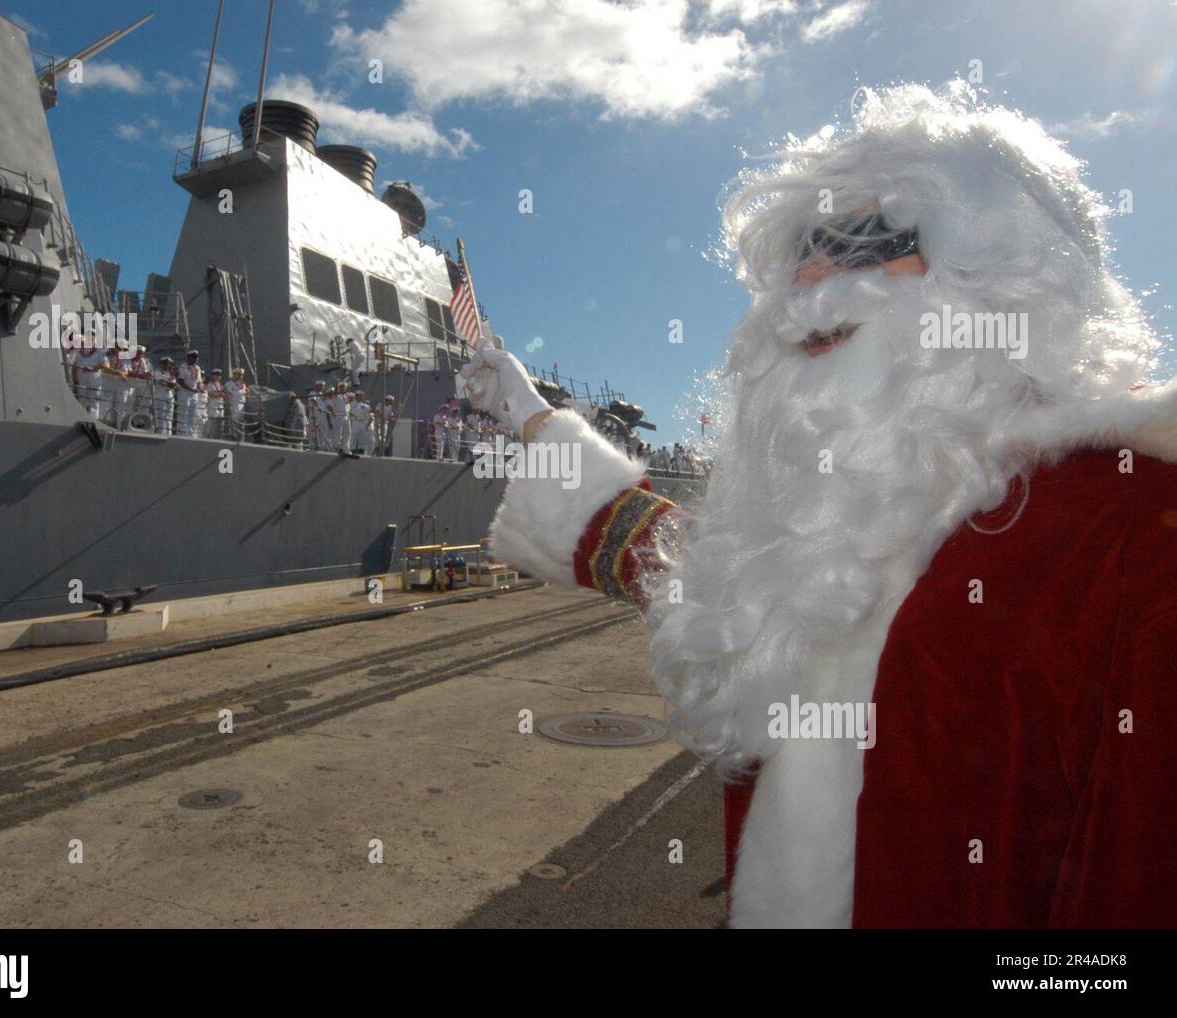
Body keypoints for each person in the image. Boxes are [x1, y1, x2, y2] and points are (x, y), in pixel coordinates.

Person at [464, 83, 1177, 930]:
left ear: (1003, 269)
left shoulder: (1132, 525)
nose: (808, 280)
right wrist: (536, 415)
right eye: (803, 249)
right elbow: (715, 581)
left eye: (861, 239)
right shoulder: (836, 528)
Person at [175, 349, 204, 438]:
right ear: (189, 358)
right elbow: (181, 381)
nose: (196, 359)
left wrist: (200, 388)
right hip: (185, 394)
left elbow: (199, 381)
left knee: (192, 414)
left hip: (194, 394)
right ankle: (181, 433)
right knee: (183, 414)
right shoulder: (183, 367)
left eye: (197, 358)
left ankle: (191, 434)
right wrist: (191, 389)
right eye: (195, 358)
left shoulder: (197, 368)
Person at [151, 355, 177, 435]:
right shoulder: (157, 372)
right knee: (160, 416)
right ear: (161, 364)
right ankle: (160, 433)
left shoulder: (171, 374)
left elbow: (174, 383)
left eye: (169, 364)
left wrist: (176, 385)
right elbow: (161, 381)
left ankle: (168, 433)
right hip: (160, 395)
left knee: (169, 416)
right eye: (165, 363)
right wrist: (172, 384)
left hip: (169, 395)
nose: (167, 365)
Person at [225, 368, 248, 441]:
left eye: (241, 375)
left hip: (242, 407)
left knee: (241, 425)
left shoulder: (243, 384)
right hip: (234, 406)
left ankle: (241, 440)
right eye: (239, 374)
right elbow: (227, 394)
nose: (241, 376)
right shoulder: (230, 384)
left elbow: (245, 394)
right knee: (234, 423)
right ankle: (233, 439)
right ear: (234, 374)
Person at [204, 368, 226, 439]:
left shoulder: (220, 385)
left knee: (220, 425)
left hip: (220, 406)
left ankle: (218, 438)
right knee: (211, 425)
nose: (217, 376)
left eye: (219, 375)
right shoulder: (210, 385)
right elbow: (210, 395)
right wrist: (220, 395)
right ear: (212, 375)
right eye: (215, 375)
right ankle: (209, 439)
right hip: (213, 406)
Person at [309, 381, 330, 450]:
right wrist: (319, 408)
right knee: (314, 432)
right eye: (322, 386)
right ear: (317, 386)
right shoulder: (312, 393)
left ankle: (321, 447)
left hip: (322, 416)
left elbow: (326, 403)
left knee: (322, 432)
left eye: (323, 386)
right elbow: (314, 402)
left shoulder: (322, 394)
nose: (323, 387)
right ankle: (313, 446)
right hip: (315, 415)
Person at [331, 381, 351, 453]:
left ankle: (345, 448)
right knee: (338, 433)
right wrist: (337, 384)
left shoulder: (346, 396)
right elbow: (336, 392)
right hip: (339, 416)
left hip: (346, 416)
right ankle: (337, 447)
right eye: (342, 387)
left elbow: (347, 405)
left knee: (347, 433)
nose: (343, 389)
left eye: (344, 387)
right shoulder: (337, 395)